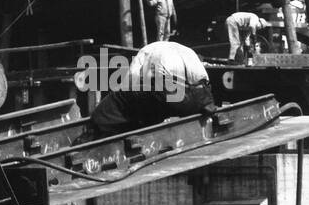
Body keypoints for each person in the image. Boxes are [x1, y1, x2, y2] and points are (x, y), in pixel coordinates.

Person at [82, 40, 217, 140]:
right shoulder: (186, 49)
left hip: (176, 97)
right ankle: (145, 122)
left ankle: (99, 126)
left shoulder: (145, 51)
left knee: (122, 97)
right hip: (203, 98)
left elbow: (129, 82)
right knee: (152, 96)